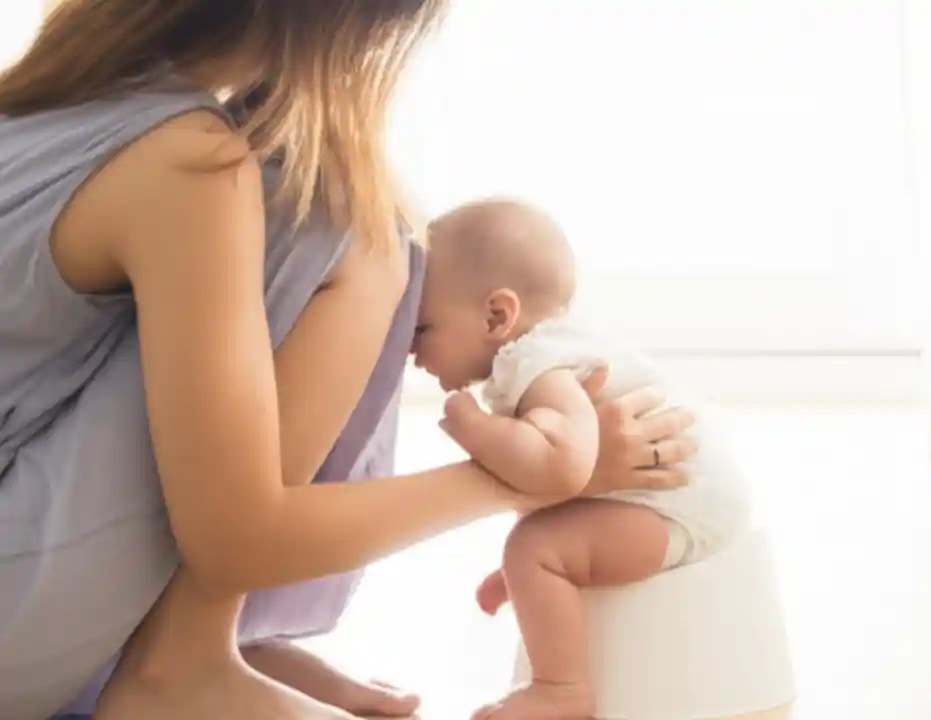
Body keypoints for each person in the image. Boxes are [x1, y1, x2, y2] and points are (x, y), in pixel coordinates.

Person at [0, 2, 696, 718]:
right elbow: (235, 540)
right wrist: (526, 476)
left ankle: (213, 643)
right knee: (352, 229)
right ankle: (181, 666)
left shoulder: (68, 93)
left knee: (334, 199)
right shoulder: (187, 167)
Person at [412, 199, 750, 720]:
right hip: (681, 493)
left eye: (422, 328)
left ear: (497, 315)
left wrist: (475, 428)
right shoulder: (551, 349)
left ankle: (561, 691)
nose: (413, 353)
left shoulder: (534, 364)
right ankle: (539, 588)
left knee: (534, 547)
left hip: (679, 506)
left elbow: (559, 465)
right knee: (533, 541)